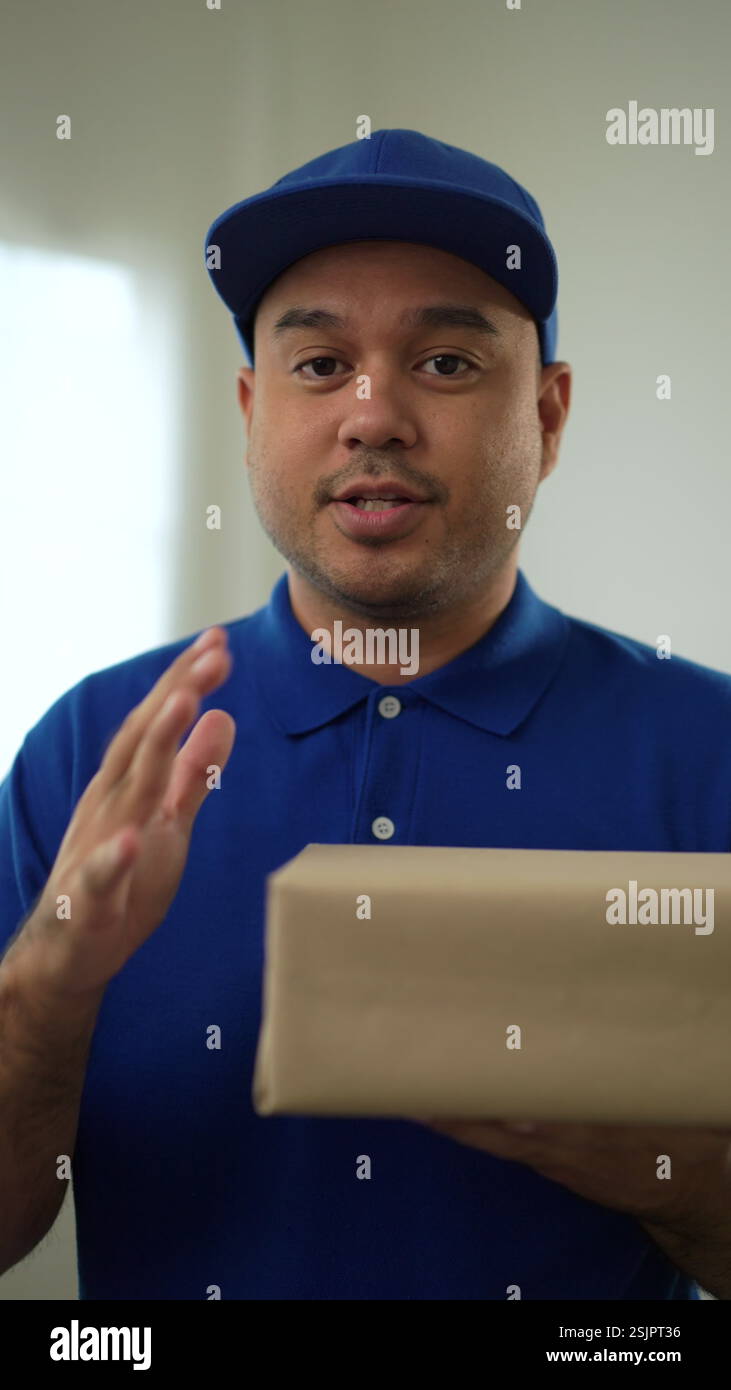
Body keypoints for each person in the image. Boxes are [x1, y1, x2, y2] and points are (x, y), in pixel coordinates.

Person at [1, 129, 730, 1301]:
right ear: (249, 410)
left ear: (545, 417)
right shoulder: (92, 751)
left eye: (444, 362)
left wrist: (664, 1168)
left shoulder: (708, 756)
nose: (372, 413)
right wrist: (49, 984)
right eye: (317, 363)